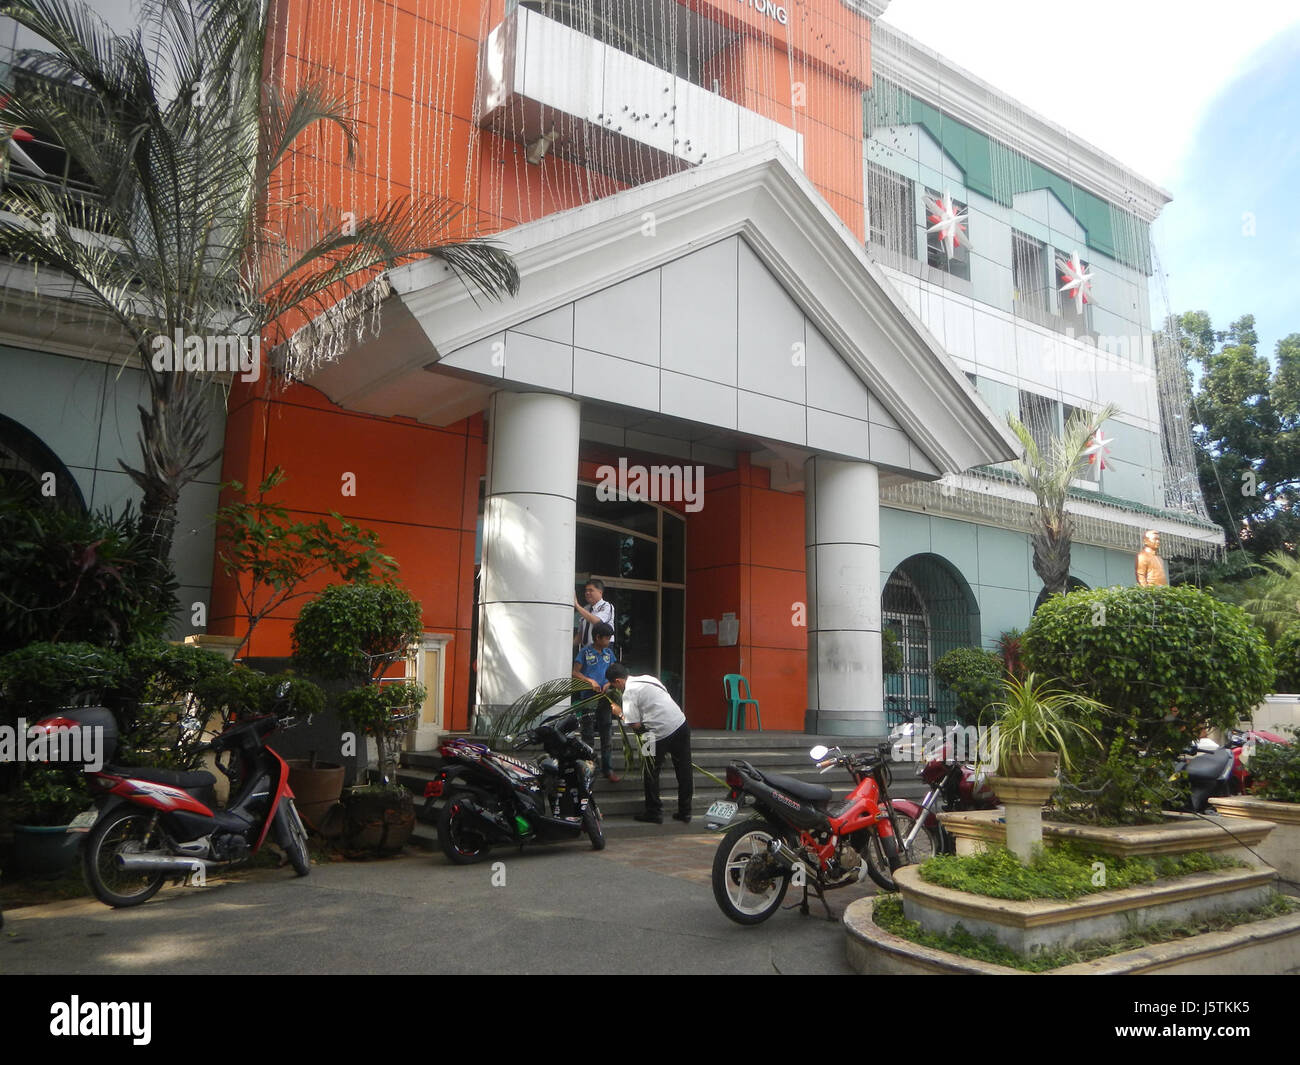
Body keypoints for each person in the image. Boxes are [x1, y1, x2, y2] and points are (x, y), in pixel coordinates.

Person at [603, 664, 692, 824]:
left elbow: (635, 724)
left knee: (649, 772)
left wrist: (619, 712)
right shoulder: (648, 678)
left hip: (654, 734)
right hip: (680, 724)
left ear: (618, 681)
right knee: (684, 770)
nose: (616, 689)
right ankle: (685, 811)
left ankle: (654, 812)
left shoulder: (629, 693)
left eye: (614, 686)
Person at [573, 621, 620, 781]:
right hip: (588, 698)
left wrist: (608, 683)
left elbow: (614, 672)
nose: (608, 641)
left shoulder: (609, 653)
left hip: (605, 699)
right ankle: (589, 769)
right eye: (606, 638)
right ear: (598, 637)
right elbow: (575, 672)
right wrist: (589, 681)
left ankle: (608, 769)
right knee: (588, 735)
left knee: (607, 733)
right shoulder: (585, 652)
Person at [574, 579, 615, 649]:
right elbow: (581, 633)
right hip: (587, 648)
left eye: (591, 590)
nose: (587, 593)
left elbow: (598, 622)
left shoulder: (607, 606)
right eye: (586, 591)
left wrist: (577, 606)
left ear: (600, 592)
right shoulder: (586, 608)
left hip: (602, 647)